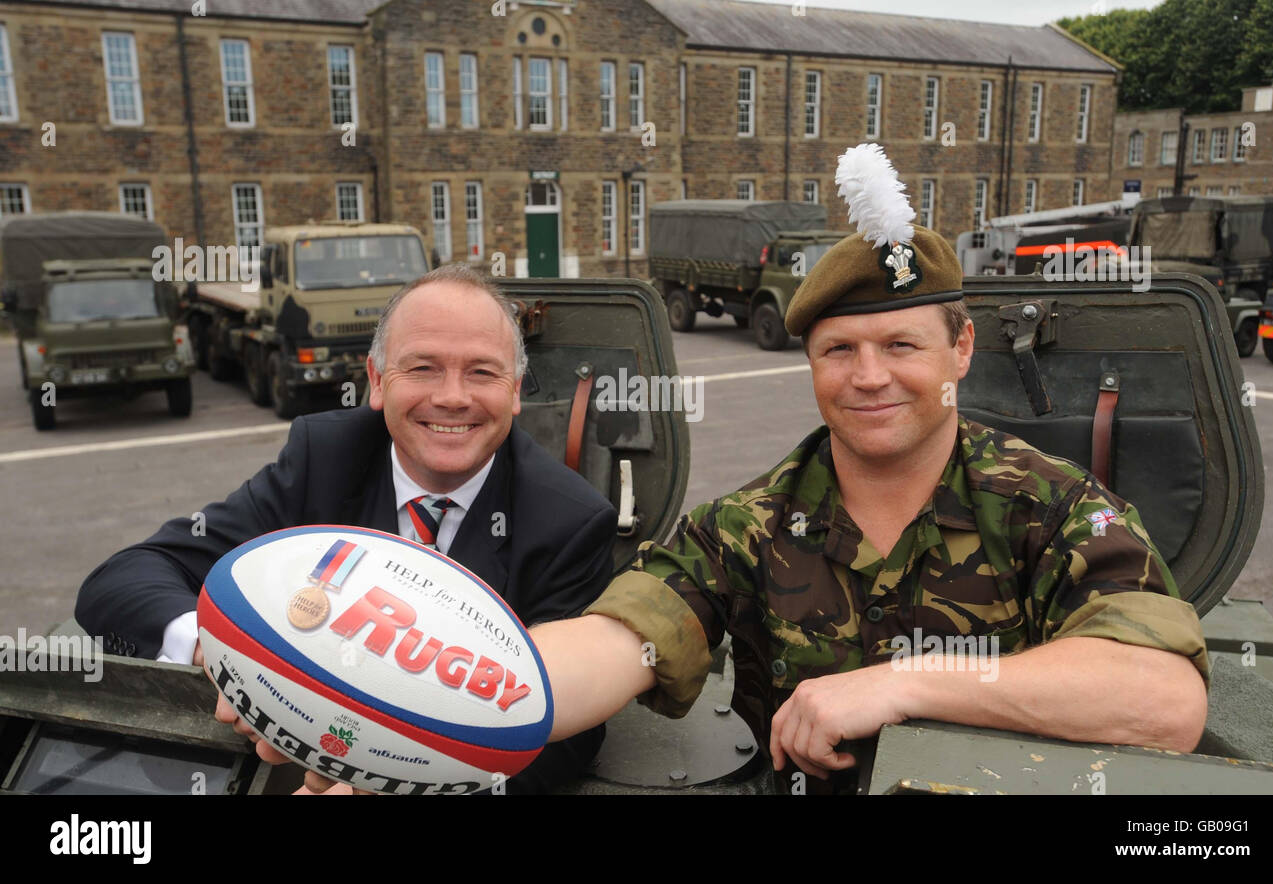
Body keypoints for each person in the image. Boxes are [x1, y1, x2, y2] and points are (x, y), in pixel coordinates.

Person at [257, 144, 1211, 797]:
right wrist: (399, 718)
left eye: (901, 345)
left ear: (961, 350)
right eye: (839, 349)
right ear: (810, 364)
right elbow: (605, 646)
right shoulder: (749, 527)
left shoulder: (1051, 507)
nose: (869, 376)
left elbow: (1161, 703)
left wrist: (906, 685)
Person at [75, 263, 617, 794]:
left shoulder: (570, 521)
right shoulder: (324, 459)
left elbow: (565, 738)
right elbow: (125, 577)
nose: (453, 396)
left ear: (515, 390)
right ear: (378, 380)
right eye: (423, 367)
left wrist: (382, 782)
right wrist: (219, 650)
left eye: (482, 371)